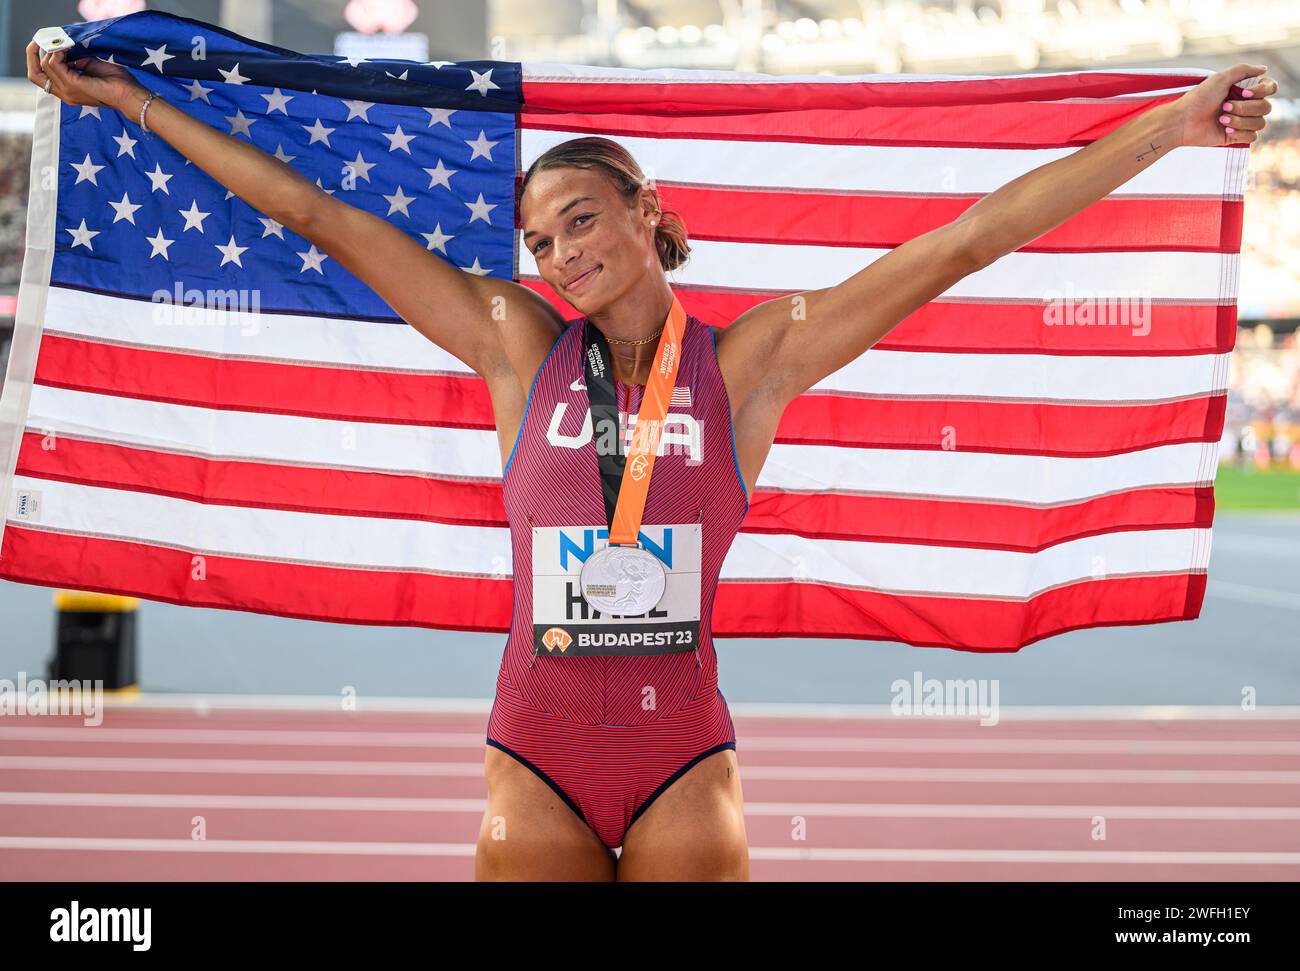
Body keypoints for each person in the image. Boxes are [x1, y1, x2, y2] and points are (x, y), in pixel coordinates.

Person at [28, 42, 1278, 881]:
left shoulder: (750, 365)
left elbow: (960, 244)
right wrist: (131, 102)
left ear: (644, 216)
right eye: (539, 238)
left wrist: (1171, 127)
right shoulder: (514, 345)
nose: (561, 254)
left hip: (685, 754)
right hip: (534, 748)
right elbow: (320, 214)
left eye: (582, 222)